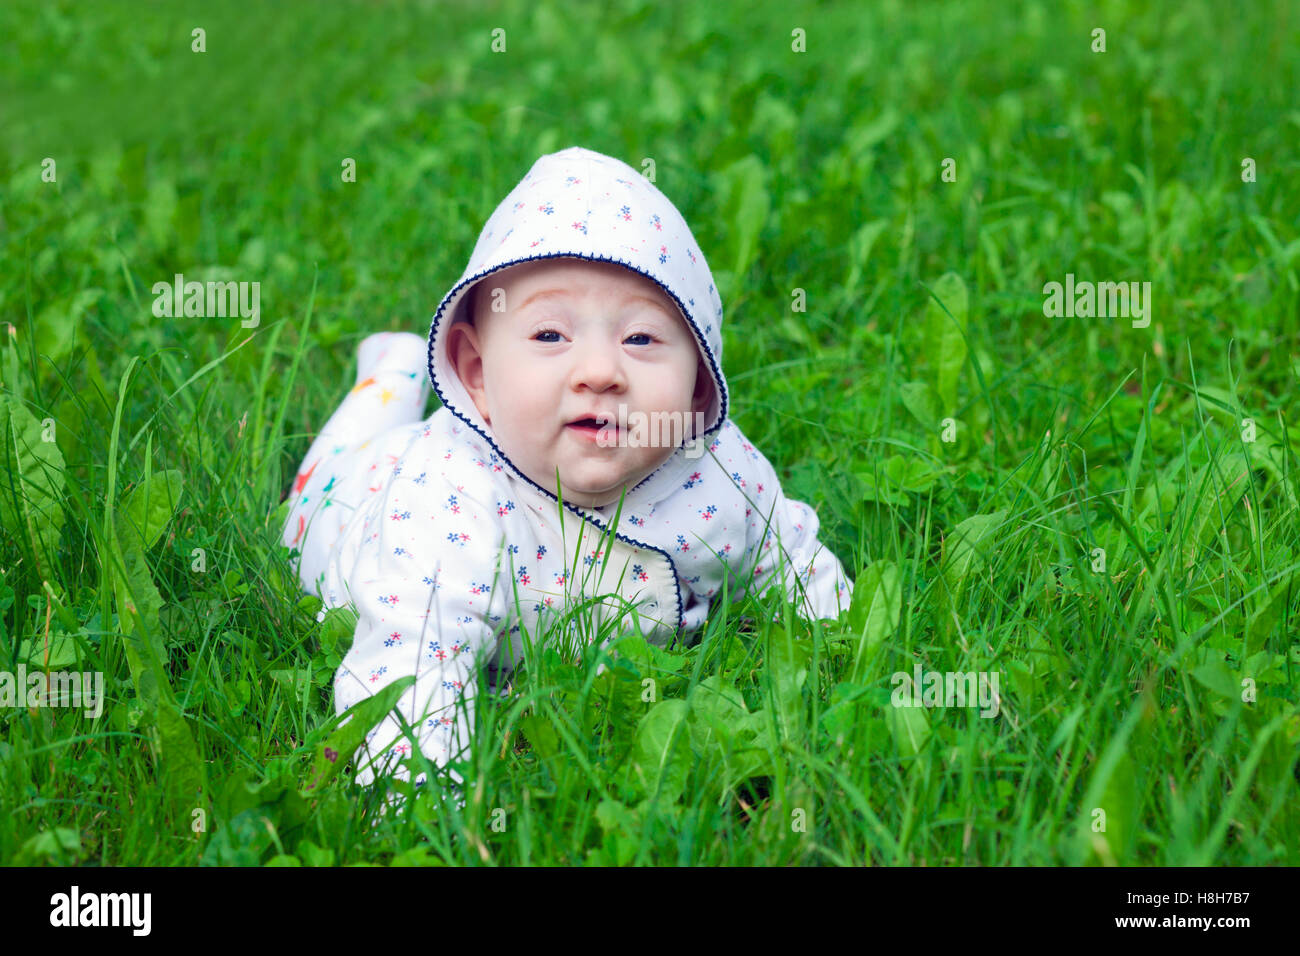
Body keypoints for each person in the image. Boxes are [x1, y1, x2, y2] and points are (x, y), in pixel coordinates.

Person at [281, 146, 853, 795]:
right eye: (551, 337)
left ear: (699, 386)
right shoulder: (446, 497)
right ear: (477, 374)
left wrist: (843, 648)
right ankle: (397, 367)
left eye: (640, 339)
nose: (600, 371)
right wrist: (419, 801)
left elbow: (789, 555)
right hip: (351, 503)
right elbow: (411, 666)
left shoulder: (715, 469)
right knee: (346, 453)